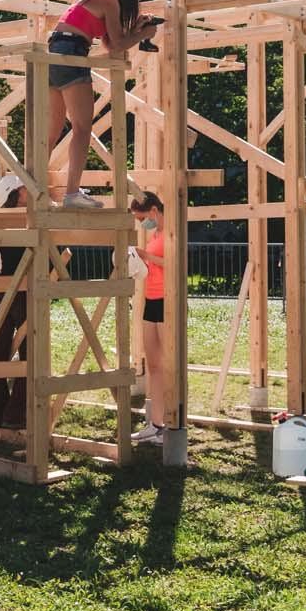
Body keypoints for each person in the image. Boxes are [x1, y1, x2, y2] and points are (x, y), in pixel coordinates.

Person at [47, 0, 158, 208]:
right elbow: (118, 47)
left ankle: (32, 189)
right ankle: (72, 194)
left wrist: (137, 29)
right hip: (72, 51)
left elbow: (110, 43)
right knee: (82, 127)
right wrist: (143, 35)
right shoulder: (110, 1)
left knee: (52, 131)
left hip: (55, 51)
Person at [0, 174, 31, 429]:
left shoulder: (0, 222)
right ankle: (15, 415)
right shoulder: (28, 221)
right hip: (23, 292)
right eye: (25, 188)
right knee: (30, 356)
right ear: (18, 194)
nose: (28, 190)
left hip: (1, 290)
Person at [128, 190, 170, 444]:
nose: (142, 223)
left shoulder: (171, 233)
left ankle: (173, 423)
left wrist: (146, 256)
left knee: (169, 364)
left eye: (142, 218)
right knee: (153, 365)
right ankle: (156, 425)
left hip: (167, 301)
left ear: (154, 211)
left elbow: (175, 263)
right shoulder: (155, 234)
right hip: (151, 300)